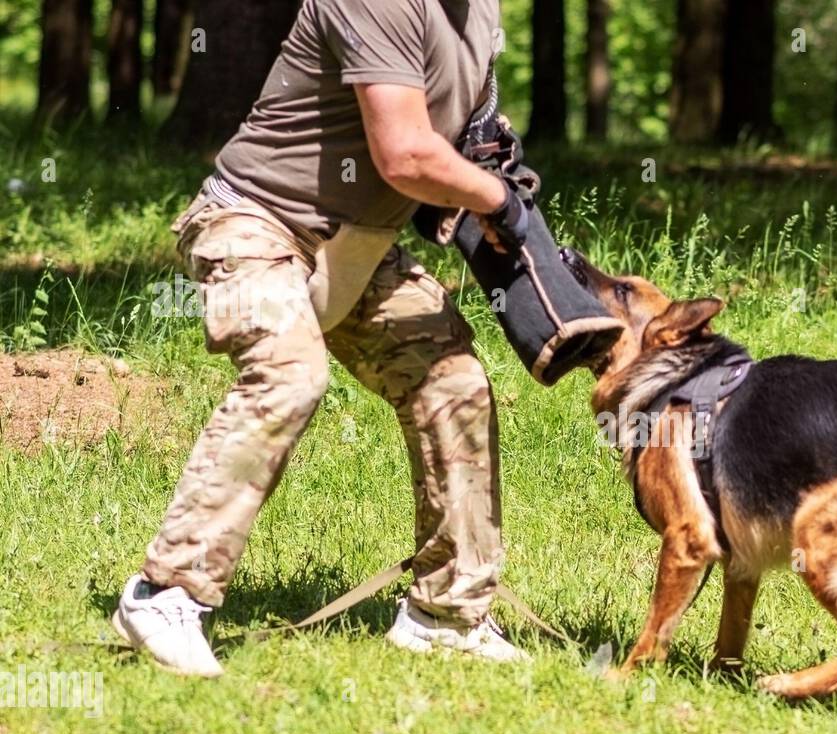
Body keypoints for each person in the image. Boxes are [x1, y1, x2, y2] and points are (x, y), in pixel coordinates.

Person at [114, 0, 530, 676]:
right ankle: (164, 594)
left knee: (452, 382)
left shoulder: (481, 7)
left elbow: (467, 134)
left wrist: (505, 193)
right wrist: (498, 200)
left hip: (358, 245)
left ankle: (447, 615)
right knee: (289, 373)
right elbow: (405, 152)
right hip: (255, 222)